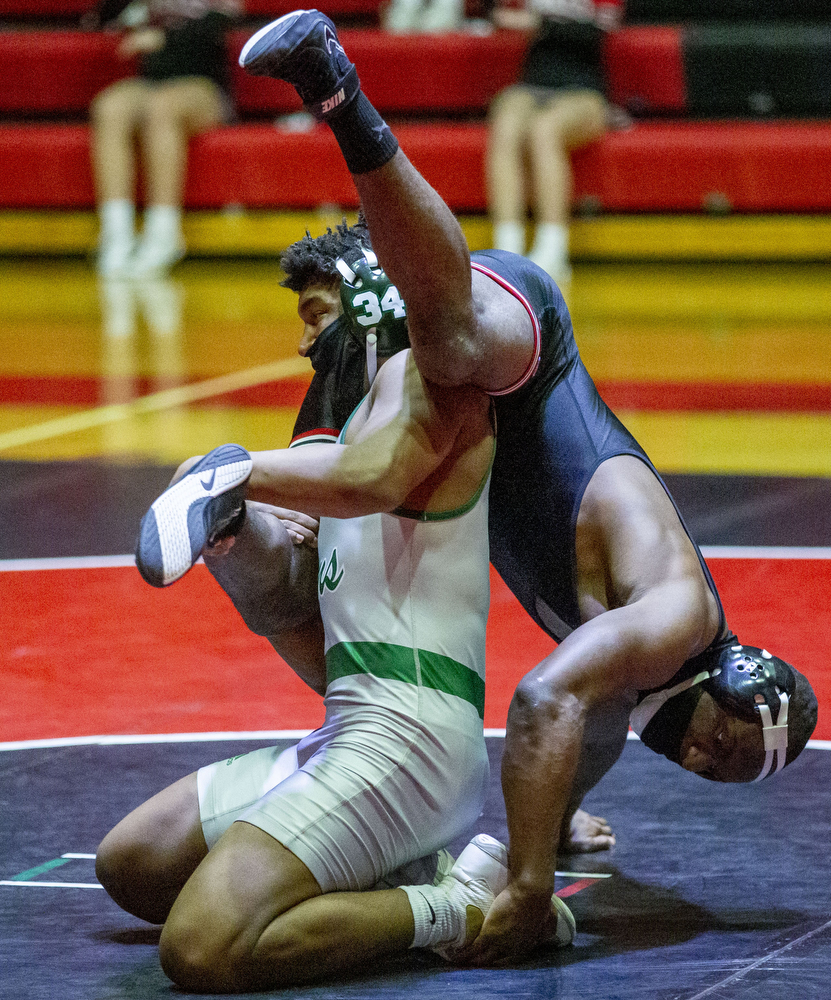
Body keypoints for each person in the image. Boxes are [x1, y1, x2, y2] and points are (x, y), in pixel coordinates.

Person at [228, 9, 819, 967]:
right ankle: (334, 85)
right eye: (729, 741)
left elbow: (570, 733)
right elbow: (544, 698)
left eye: (726, 774)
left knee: (309, 587)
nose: (708, 762)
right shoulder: (675, 615)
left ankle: (229, 514)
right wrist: (532, 882)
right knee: (449, 341)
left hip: (460, 422)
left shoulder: (621, 713)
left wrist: (551, 818)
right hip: (524, 356)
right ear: (729, 681)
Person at [99, 282, 576, 991]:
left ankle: (455, 904)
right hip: (355, 720)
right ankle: (412, 868)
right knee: (134, 865)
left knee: (200, 949)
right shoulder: (352, 436)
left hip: (408, 740)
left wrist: (234, 471)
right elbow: (303, 637)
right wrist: (240, 535)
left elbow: (373, 480)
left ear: (373, 302)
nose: (302, 345)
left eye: (317, 314)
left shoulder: (433, 394)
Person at [88, 0, 238, 278]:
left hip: (204, 84)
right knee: (109, 108)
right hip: (154, 81)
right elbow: (101, 17)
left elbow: (217, 29)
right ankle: (116, 234)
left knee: (162, 108)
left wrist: (164, 38)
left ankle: (164, 234)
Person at [487, 0, 623, 282]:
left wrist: (542, 23)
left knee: (544, 130)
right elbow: (501, 15)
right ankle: (506, 247)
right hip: (533, 83)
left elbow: (598, 27)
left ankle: (553, 250)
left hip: (584, 90)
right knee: (505, 125)